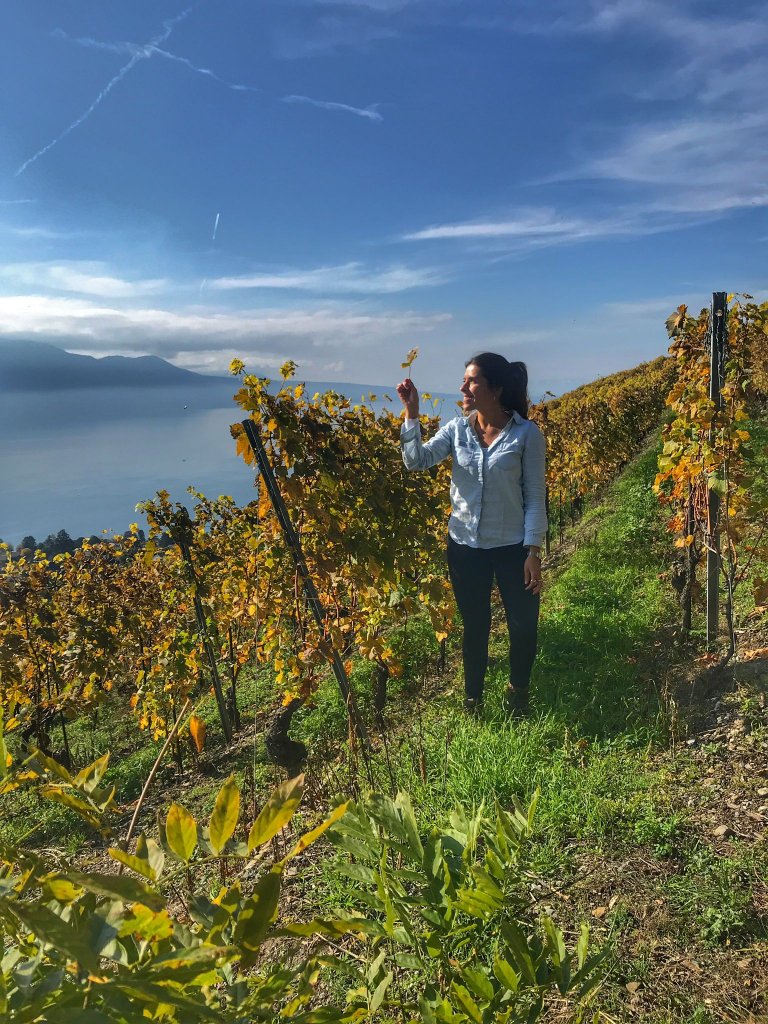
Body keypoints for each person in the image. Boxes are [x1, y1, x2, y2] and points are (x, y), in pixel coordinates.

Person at [396, 354, 547, 719]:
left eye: (472, 381)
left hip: (512, 547)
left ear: (495, 389)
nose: (463, 387)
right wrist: (411, 414)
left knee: (523, 624)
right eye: (464, 380)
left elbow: (534, 495)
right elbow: (416, 461)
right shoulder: (456, 430)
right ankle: (473, 701)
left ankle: (518, 692)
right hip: (465, 548)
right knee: (475, 626)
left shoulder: (526, 435)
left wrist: (533, 550)